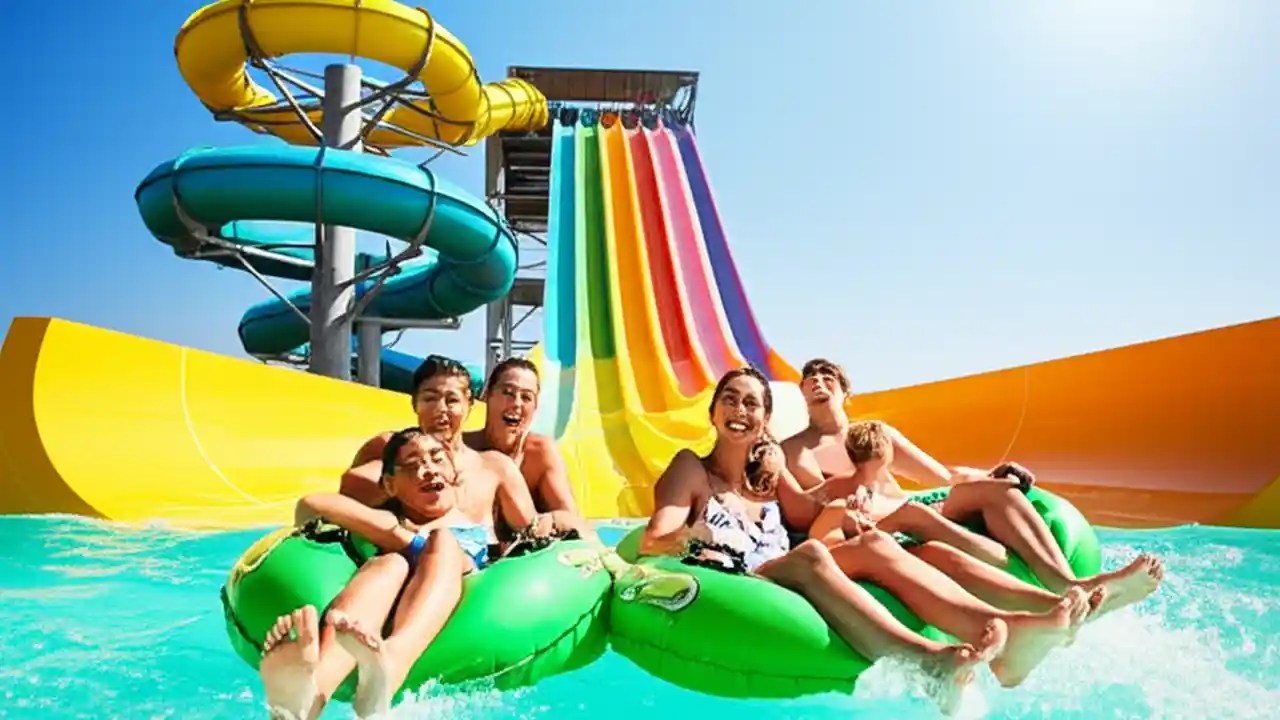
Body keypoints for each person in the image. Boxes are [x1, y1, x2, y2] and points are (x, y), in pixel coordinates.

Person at [640, 367, 1088, 712]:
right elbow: (655, 540)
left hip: (782, 567)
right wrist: (694, 536)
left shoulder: (767, 477)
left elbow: (812, 505)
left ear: (764, 420)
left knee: (876, 545)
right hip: (739, 580)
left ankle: (1006, 633)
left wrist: (858, 507)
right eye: (731, 401)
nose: (740, 411)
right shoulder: (692, 467)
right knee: (811, 554)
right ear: (713, 412)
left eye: (752, 404)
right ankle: (929, 662)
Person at [781, 358, 1164, 617]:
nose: (818, 381)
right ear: (802, 394)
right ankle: (1052, 601)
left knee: (996, 492)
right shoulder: (796, 449)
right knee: (920, 521)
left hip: (917, 506)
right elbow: (814, 510)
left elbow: (941, 477)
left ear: (845, 391)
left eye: (827, 376)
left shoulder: (878, 434)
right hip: (876, 523)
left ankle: (1069, 583)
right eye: (810, 378)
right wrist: (848, 492)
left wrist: (991, 473)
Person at [257, 427, 528, 719]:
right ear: (389, 485)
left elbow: (530, 528)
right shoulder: (391, 521)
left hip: (451, 568)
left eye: (437, 459)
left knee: (442, 542)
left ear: (453, 470)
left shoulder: (470, 522)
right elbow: (310, 504)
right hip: (394, 582)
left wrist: (413, 543)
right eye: (412, 466)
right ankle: (309, 696)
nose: (428, 470)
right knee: (387, 565)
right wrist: (405, 540)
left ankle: (392, 662)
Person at [339, 354, 590, 544]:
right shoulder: (393, 449)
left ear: (470, 405)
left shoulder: (495, 464)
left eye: (451, 401)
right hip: (408, 556)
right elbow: (348, 493)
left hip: (476, 565)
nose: (441, 409)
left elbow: (536, 528)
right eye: (429, 398)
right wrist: (401, 476)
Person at [463, 357, 598, 544]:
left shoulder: (539, 452)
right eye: (507, 392)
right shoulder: (464, 448)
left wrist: (548, 521)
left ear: (535, 407)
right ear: (488, 395)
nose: (517, 403)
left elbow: (569, 515)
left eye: (526, 397)